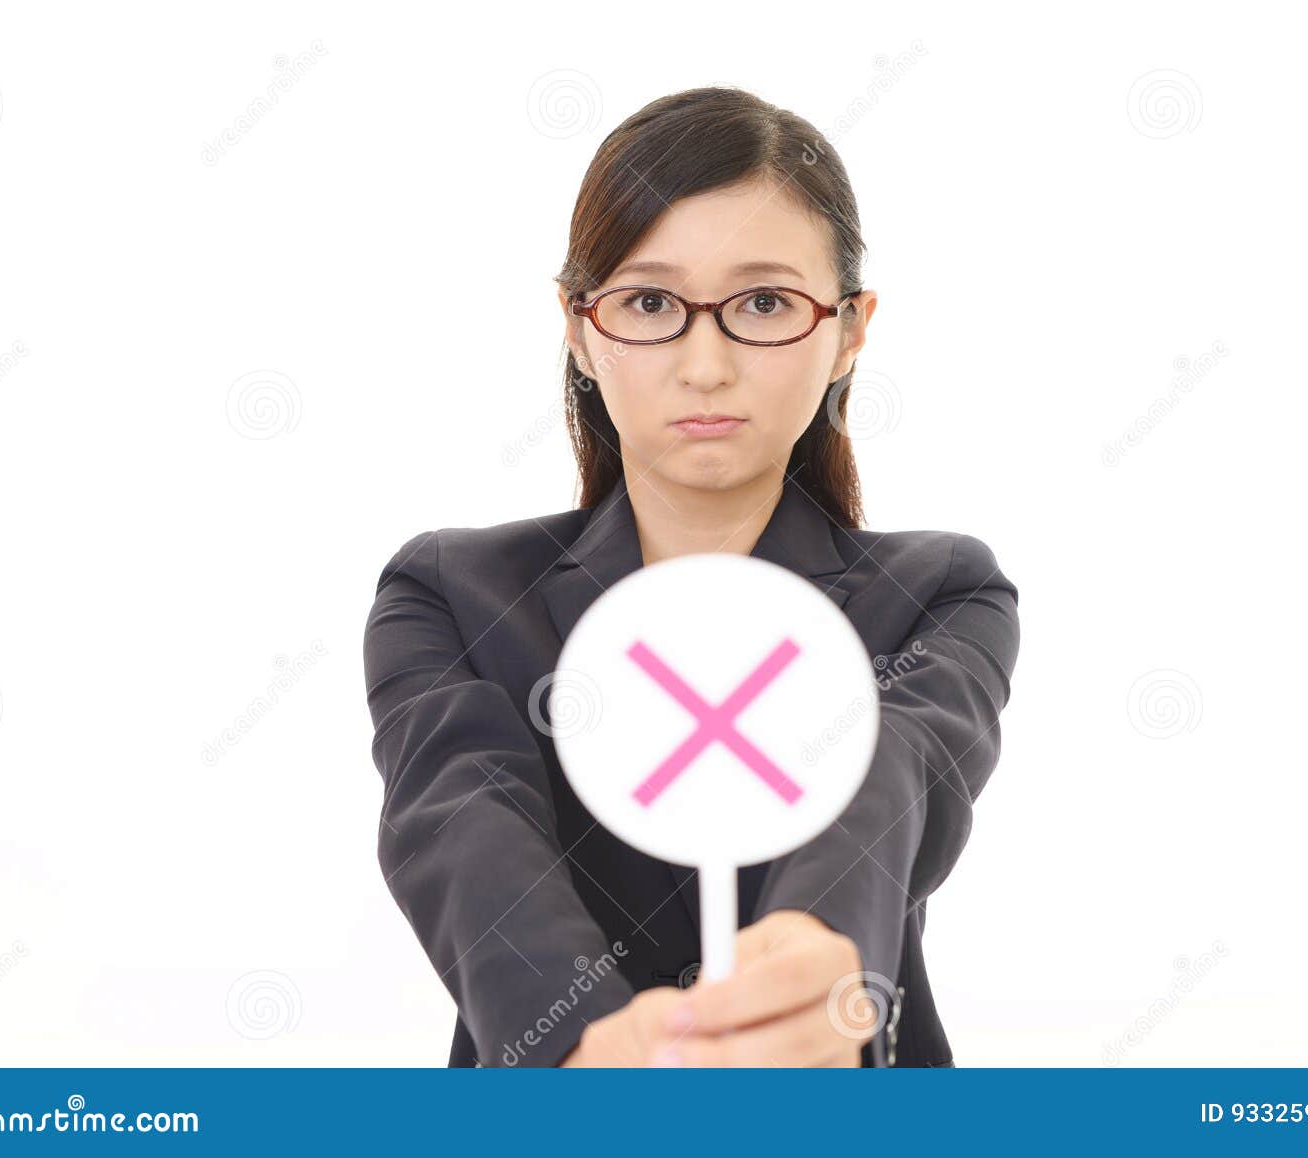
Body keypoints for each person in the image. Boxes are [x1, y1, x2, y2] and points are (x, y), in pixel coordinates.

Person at [362, 86, 1020, 1067]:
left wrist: (809, 956)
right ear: (579, 329)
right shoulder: (453, 593)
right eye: (649, 303)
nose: (704, 363)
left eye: (762, 303)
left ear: (849, 327)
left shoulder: (941, 591)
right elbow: (464, 824)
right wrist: (589, 1051)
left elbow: (896, 771)